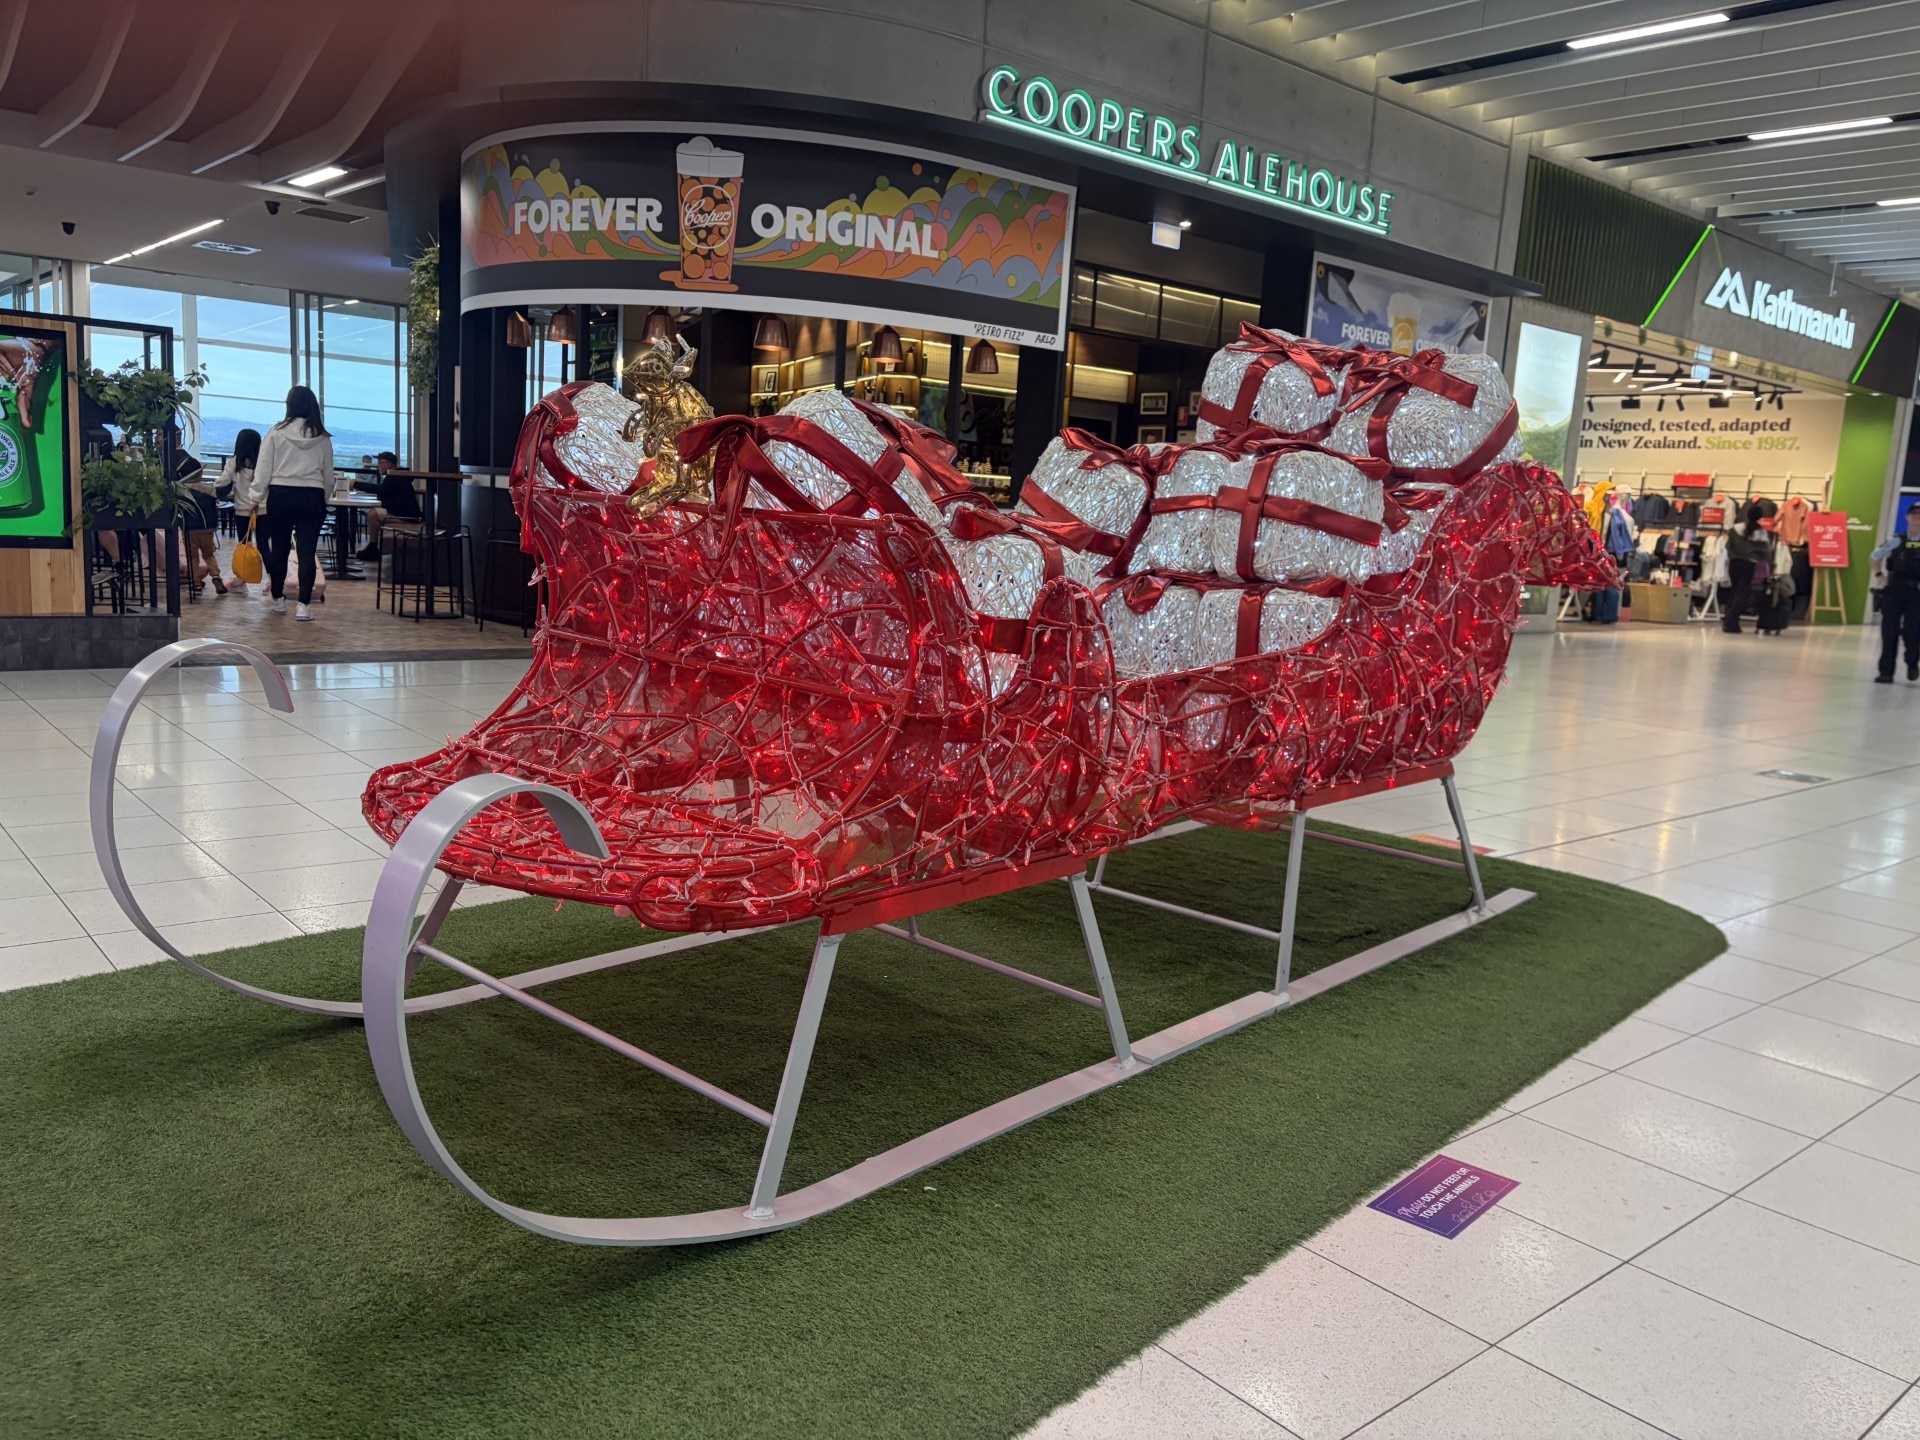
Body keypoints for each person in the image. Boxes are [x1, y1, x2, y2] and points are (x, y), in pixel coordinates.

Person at [256, 386, 335, 621]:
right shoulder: (322, 437)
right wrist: (325, 496)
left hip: (280, 495)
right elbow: (328, 475)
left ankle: (279, 601)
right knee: (307, 552)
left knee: (279, 548)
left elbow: (263, 469)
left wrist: (256, 496)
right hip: (312, 496)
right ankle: (303, 606)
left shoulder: (275, 433)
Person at [1872, 520, 1920, 683]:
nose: (1917, 520)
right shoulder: (1897, 540)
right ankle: (1886, 672)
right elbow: (1874, 557)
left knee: (1913, 632)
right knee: (1889, 631)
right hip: (1894, 589)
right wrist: (1879, 576)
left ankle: (1912, 662)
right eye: (1914, 515)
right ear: (1907, 518)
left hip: (1916, 592)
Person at [214, 429, 262, 591]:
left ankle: (241, 581)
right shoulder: (264, 462)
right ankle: (273, 581)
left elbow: (221, 483)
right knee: (266, 547)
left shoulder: (236, 463)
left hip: (243, 512)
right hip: (264, 511)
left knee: (243, 546)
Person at [353, 451, 422, 560]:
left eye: (381, 463)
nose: (379, 465)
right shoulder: (399, 476)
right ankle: (373, 547)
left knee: (373, 514)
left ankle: (373, 547)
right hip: (405, 514)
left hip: (406, 518)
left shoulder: (394, 477)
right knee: (374, 513)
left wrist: (356, 484)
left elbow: (381, 490)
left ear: (390, 464)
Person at [1721, 501, 1770, 634]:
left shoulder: (1735, 529)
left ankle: (1729, 620)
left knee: (1734, 591)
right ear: (1760, 517)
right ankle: (1731, 621)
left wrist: (1733, 556)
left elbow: (1727, 546)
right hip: (1749, 564)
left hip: (1734, 563)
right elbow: (1765, 552)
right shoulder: (1761, 533)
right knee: (1742, 594)